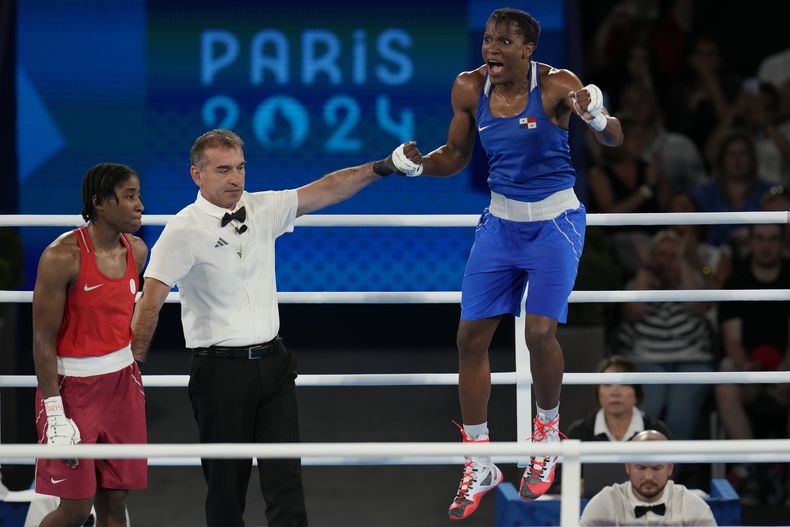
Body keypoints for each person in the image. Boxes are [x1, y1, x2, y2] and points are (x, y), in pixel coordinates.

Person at [380, 7, 623, 519]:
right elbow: (456, 154)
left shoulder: (559, 86)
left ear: (527, 49)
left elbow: (613, 139)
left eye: (503, 42)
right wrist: (418, 166)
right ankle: (480, 461)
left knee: (539, 333)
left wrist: (599, 116)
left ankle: (546, 437)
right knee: (469, 339)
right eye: (488, 39)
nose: (491, 49)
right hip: (499, 224)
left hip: (555, 222)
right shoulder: (469, 88)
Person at [130, 129, 400, 527]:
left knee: (286, 484)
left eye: (240, 168)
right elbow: (149, 300)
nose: (236, 178)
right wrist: (131, 369)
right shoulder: (182, 230)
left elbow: (327, 189)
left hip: (274, 365)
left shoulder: (262, 207)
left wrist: (383, 167)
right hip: (220, 373)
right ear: (196, 175)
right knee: (225, 490)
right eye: (223, 170)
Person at [32, 163, 148, 527]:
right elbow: (41, 339)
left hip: (123, 385)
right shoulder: (62, 257)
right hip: (72, 391)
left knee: (115, 504)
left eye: (138, 195)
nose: (140, 205)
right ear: (99, 203)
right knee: (75, 510)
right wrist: (54, 413)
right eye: (129, 196)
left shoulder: (138, 252)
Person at [558, 356, 670, 498]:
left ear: (637, 393)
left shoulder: (657, 431)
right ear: (598, 392)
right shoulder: (578, 432)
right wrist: (573, 487)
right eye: (607, 384)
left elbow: (671, 479)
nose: (615, 392)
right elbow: (558, 482)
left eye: (624, 384)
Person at [579, 430, 717, 526]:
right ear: (627, 467)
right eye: (641, 468)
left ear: (670, 468)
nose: (648, 477)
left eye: (657, 468)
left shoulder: (692, 505)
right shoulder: (604, 503)